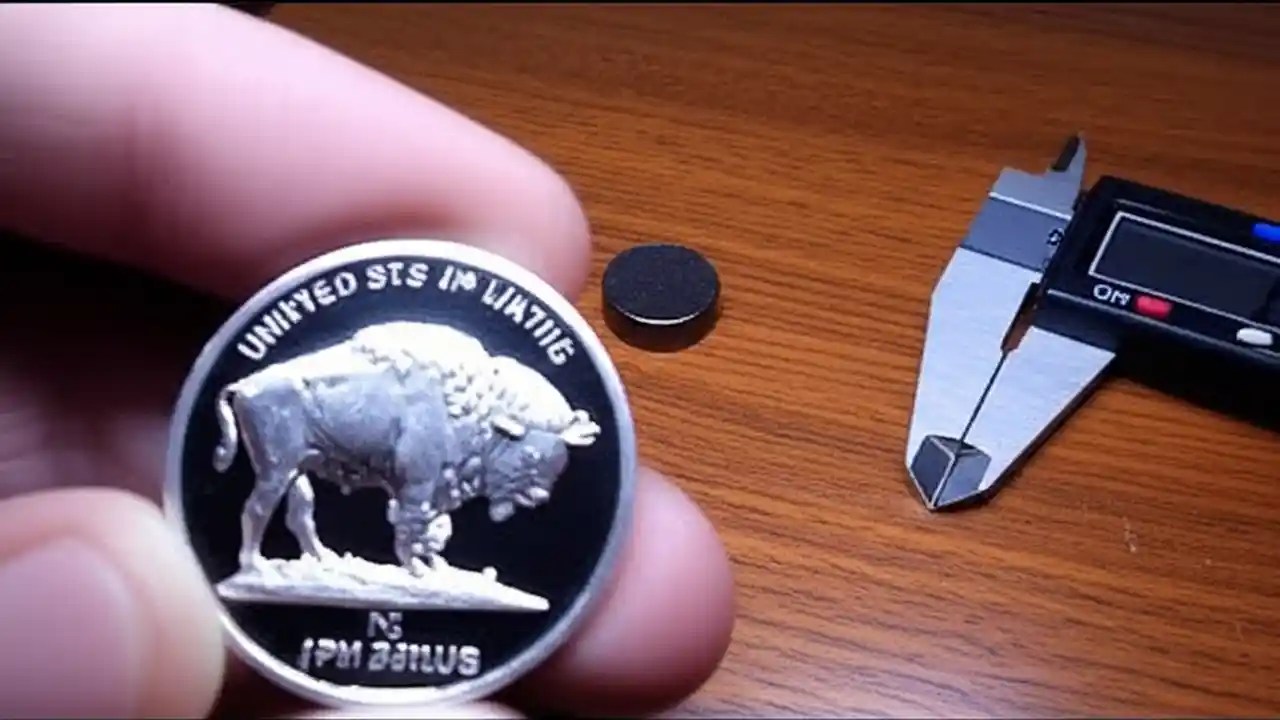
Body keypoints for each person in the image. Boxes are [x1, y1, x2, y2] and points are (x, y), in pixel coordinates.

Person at [0, 4, 736, 718]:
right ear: (509, 430)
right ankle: (295, 557)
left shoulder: (460, 401)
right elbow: (417, 486)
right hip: (305, 408)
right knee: (279, 482)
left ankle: (321, 551)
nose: (533, 485)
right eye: (534, 464)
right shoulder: (429, 415)